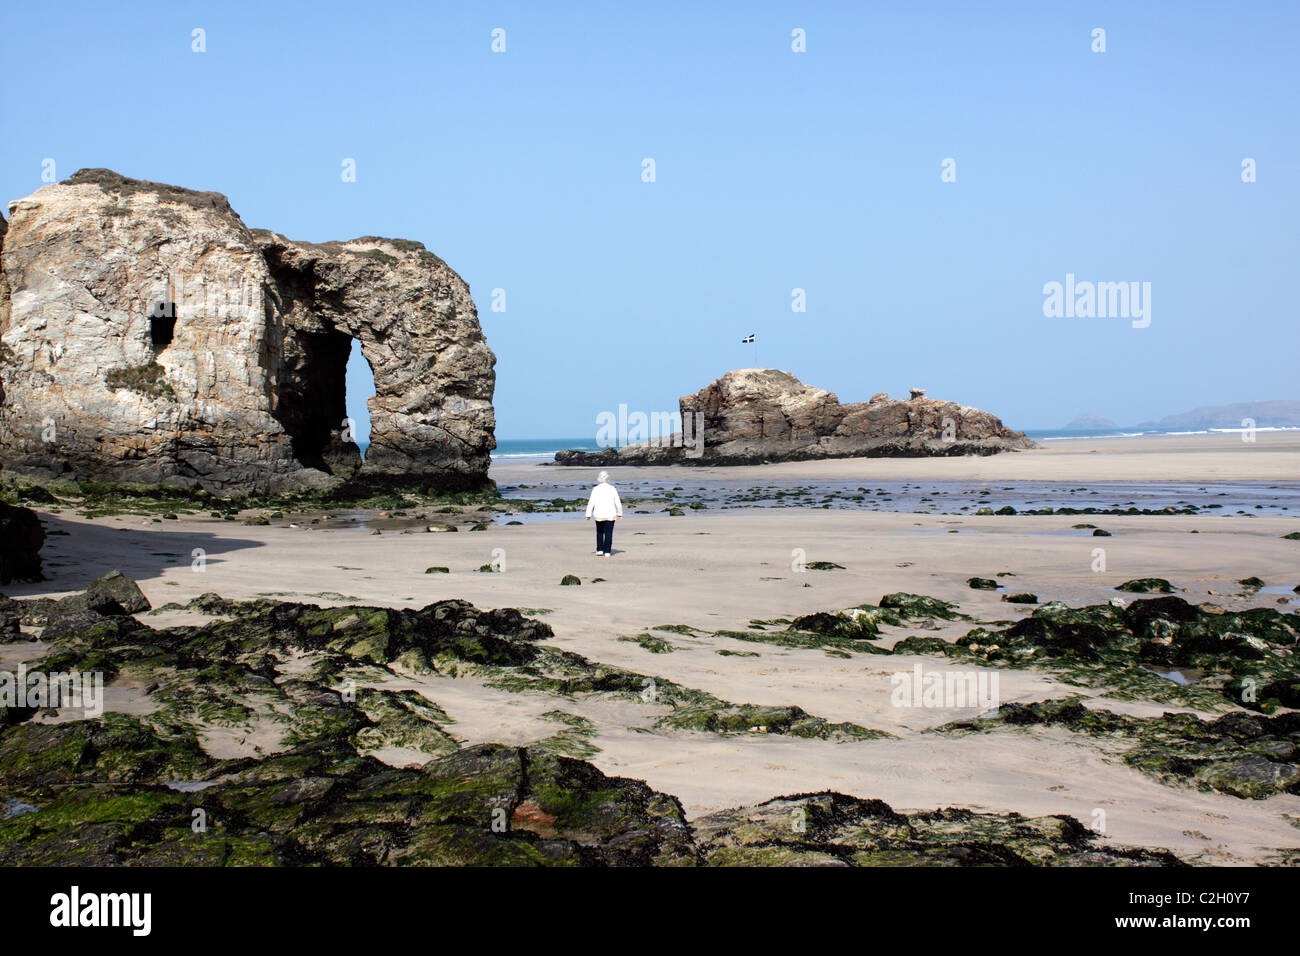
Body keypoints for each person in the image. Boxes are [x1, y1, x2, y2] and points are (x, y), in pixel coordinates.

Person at [584, 470, 623, 556]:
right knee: (609, 533)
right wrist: (619, 513)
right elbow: (617, 502)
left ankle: (600, 549)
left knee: (600, 532)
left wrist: (588, 514)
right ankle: (607, 551)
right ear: (608, 478)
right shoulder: (612, 489)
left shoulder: (596, 489)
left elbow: (591, 502)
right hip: (610, 514)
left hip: (599, 514)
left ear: (599, 478)